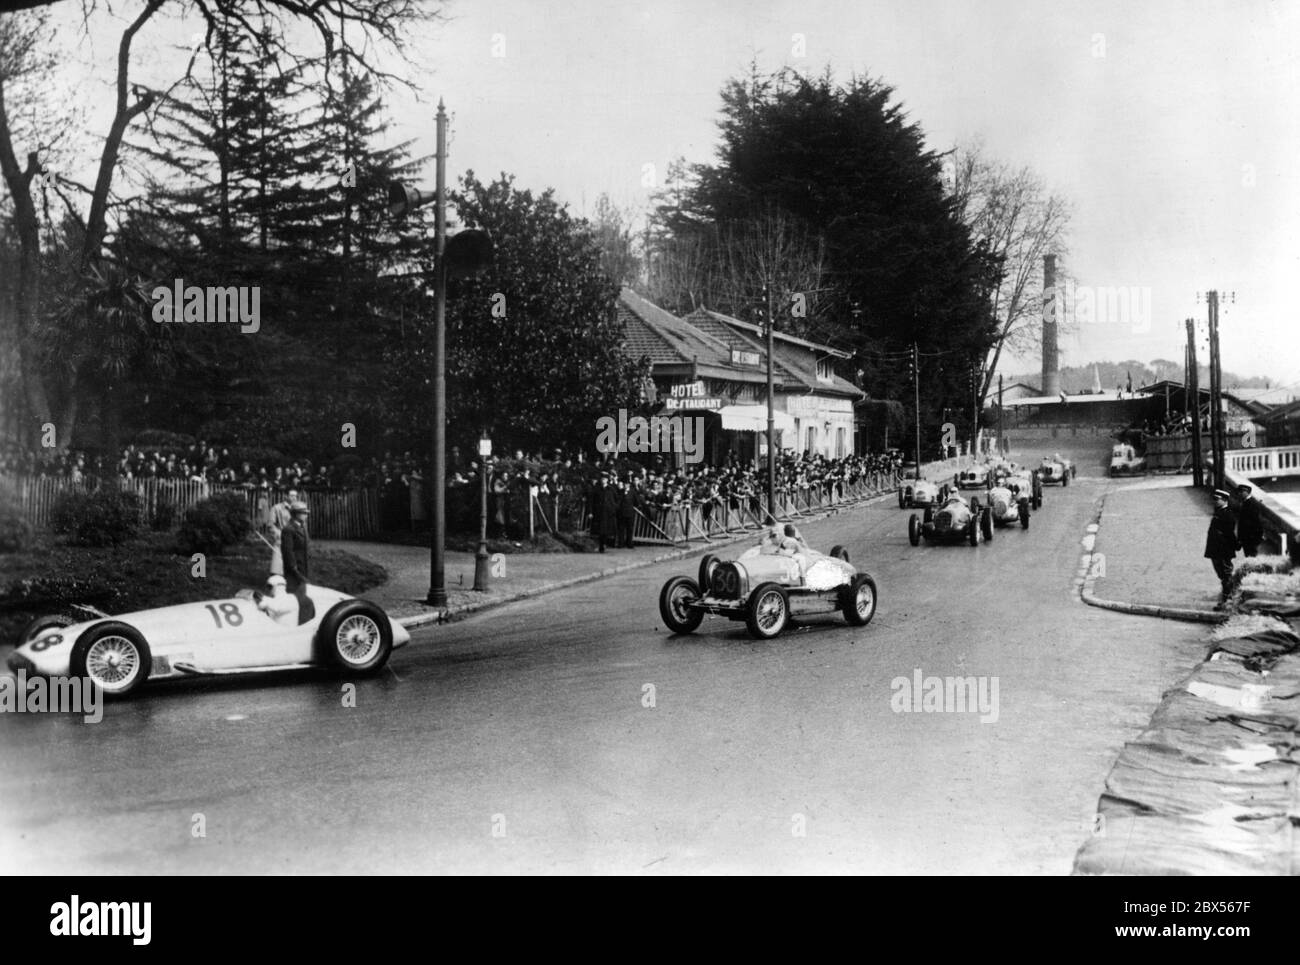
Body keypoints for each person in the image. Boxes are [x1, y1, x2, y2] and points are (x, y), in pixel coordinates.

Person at [1204, 489, 1239, 607]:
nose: (1214, 501)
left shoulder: (1227, 514)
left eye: (1217, 499)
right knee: (1222, 575)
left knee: (1226, 575)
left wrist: (1235, 546)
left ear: (1224, 500)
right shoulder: (1219, 512)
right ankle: (1227, 597)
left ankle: (1227, 600)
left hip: (1223, 550)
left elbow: (1230, 534)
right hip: (1216, 550)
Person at [281, 500, 314, 623]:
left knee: (306, 600)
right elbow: (288, 553)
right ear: (295, 514)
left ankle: (305, 622)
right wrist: (296, 572)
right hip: (295, 574)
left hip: (305, 570)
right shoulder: (288, 529)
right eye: (303, 513)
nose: (306, 515)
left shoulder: (302, 527)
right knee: (296, 601)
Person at [268, 487, 299, 576]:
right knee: (278, 567)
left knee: (294, 566)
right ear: (286, 496)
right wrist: (278, 534)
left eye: (296, 496)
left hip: (295, 540)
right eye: (292, 495)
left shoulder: (297, 509)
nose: (294, 498)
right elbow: (271, 524)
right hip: (281, 539)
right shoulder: (277, 508)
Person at [1235, 483, 1263, 558]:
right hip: (1247, 538)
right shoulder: (1246, 503)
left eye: (1240, 492)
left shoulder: (1253, 504)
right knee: (1249, 557)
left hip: (1251, 538)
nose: (1239, 494)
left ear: (1246, 492)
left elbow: (1258, 522)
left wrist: (1257, 539)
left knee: (1251, 558)